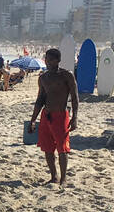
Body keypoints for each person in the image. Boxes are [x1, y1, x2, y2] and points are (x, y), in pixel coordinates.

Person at [28, 48, 78, 186]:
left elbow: (74, 97)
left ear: (57, 60)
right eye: (46, 59)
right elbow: (40, 100)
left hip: (61, 115)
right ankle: (54, 176)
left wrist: (75, 117)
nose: (47, 62)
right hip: (46, 115)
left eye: (50, 60)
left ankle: (63, 178)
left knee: (62, 148)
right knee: (47, 148)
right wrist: (33, 120)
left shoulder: (66, 75)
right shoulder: (43, 77)